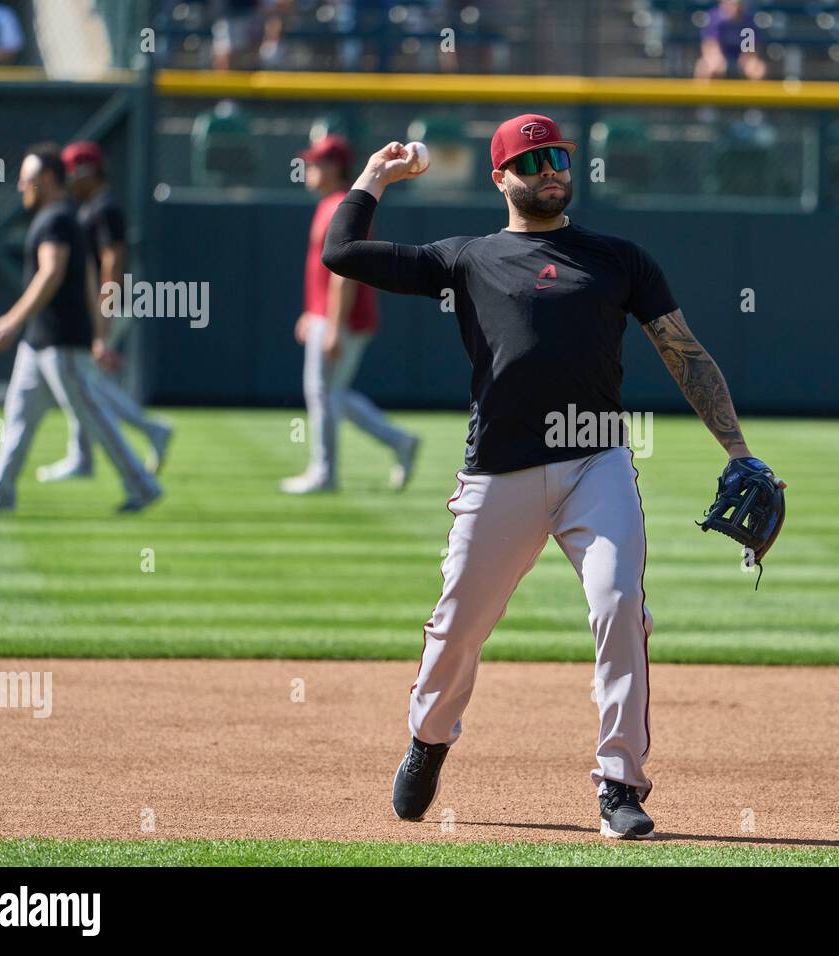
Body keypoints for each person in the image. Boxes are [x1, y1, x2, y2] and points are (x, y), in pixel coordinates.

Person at [321, 114, 783, 840]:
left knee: (620, 603)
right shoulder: (467, 258)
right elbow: (341, 251)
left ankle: (620, 785)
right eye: (531, 161)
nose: (549, 170)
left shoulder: (618, 260)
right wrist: (375, 177)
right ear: (501, 177)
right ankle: (428, 739)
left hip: (596, 465)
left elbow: (683, 353)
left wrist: (738, 449)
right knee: (456, 631)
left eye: (558, 157)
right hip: (498, 475)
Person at [0, 144, 161, 513]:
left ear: (49, 179)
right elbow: (86, 277)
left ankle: (142, 484)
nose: (21, 185)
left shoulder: (57, 219)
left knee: (95, 415)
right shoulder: (65, 216)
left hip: (60, 339)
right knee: (19, 416)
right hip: (42, 341)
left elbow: (51, 272)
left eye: (28, 178)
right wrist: (99, 332)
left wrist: (13, 319)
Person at [281, 134, 420, 495]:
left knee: (323, 394)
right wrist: (311, 313)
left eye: (318, 162)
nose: (310, 167)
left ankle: (325, 473)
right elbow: (320, 270)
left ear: (337, 166)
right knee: (333, 395)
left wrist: (333, 325)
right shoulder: (330, 203)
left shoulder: (344, 204)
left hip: (343, 318)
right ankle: (399, 441)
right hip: (326, 315)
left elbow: (345, 272)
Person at [34, 141, 173, 484]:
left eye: (72, 173)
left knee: (87, 383)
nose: (68, 181)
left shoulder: (105, 206)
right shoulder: (92, 206)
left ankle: (150, 430)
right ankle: (83, 456)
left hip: (104, 305)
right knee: (86, 383)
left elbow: (112, 260)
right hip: (96, 305)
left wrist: (105, 314)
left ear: (87, 172)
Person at [694, 0, 766, 80]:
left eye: (736, 5)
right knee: (706, 68)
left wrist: (746, 61)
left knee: (756, 69)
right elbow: (710, 46)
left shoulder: (748, 21)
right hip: (719, 55)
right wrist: (717, 60)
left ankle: (752, 92)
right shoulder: (714, 18)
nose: (734, 8)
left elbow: (750, 51)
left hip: (741, 57)